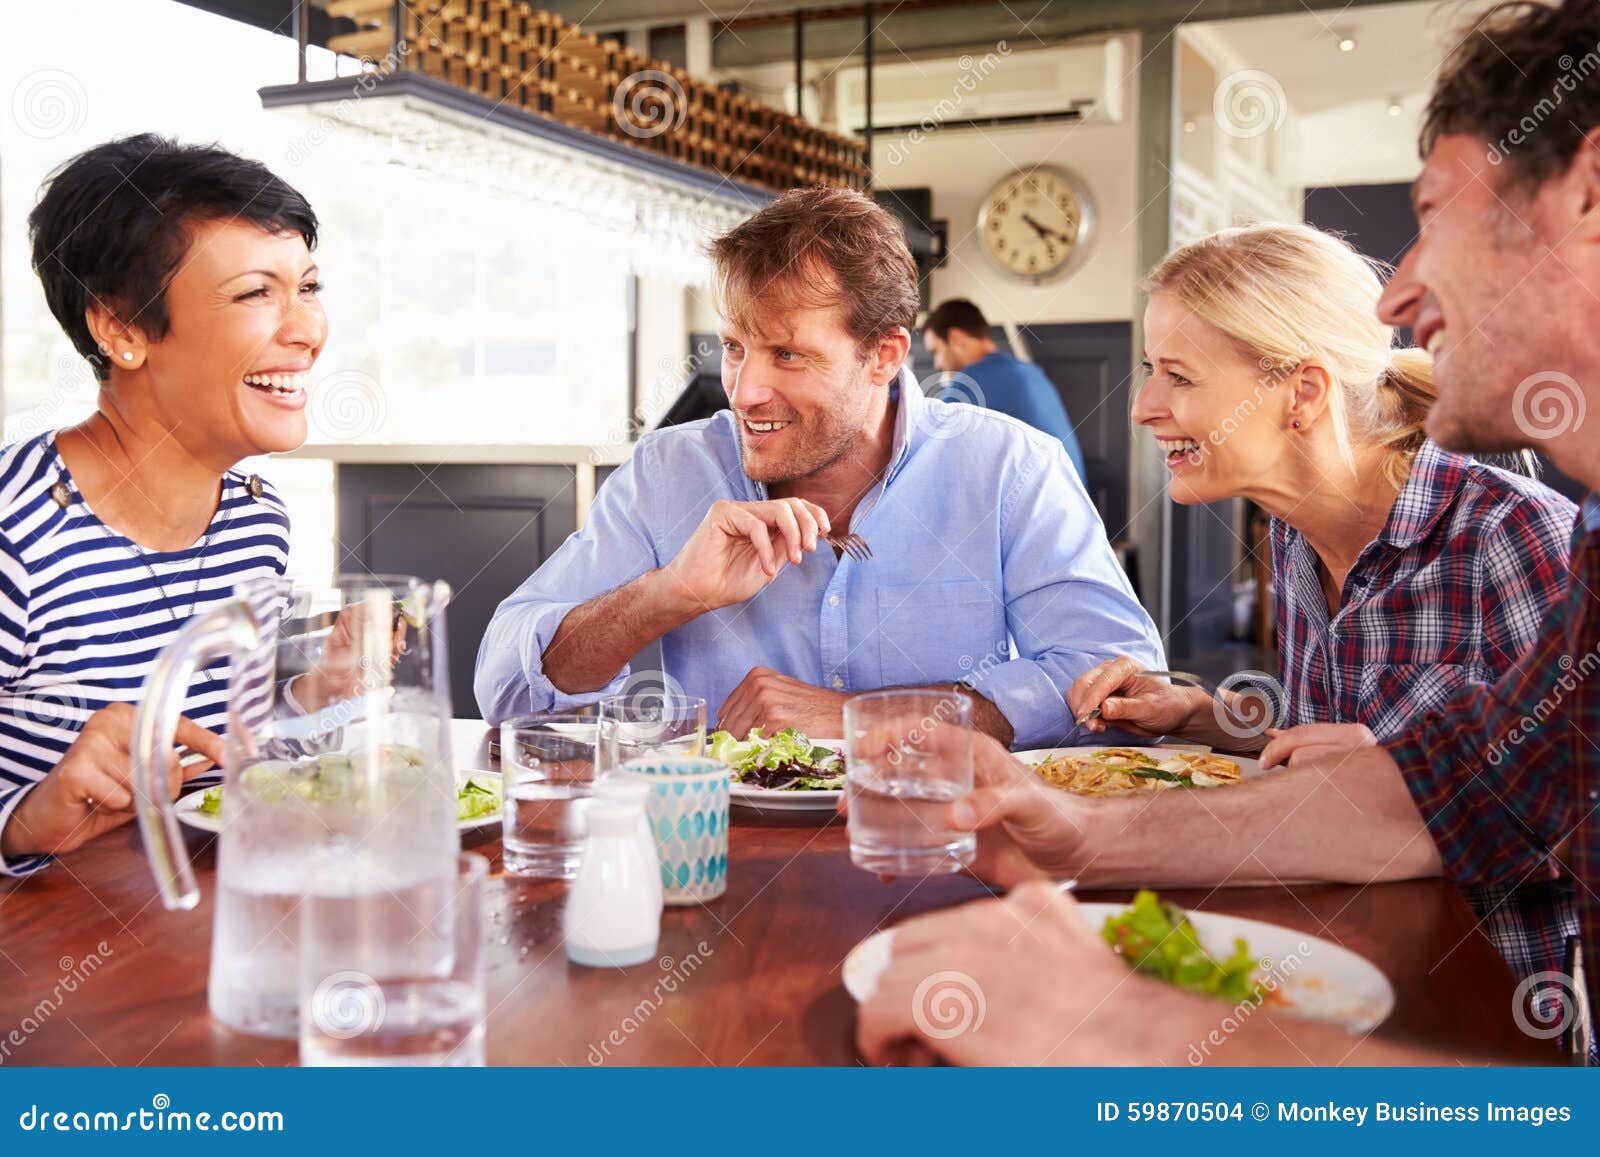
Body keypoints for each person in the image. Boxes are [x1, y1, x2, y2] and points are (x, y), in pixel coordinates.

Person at [855, 0, 1600, 1065]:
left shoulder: (1524, 538)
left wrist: (1128, 1024)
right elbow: (1453, 790)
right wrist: (1085, 828)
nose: (1399, 289)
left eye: (1431, 214)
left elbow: (1483, 828)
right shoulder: (1324, 546)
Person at [1068, 221, 1577, 982]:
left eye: (1178, 375)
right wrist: (1204, 716)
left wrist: (1405, 777)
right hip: (1321, 972)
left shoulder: (1518, 536)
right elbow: (1323, 743)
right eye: (1150, 369)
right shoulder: (1293, 537)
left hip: (1480, 1016)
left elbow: (1577, 819)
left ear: (1302, 392)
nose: (1142, 407)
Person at [476, 188, 1162, 749]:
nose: (743, 390)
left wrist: (862, 717)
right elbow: (505, 687)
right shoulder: (670, 469)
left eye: (789, 355)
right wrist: (668, 594)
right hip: (726, 871)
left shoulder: (1008, 468)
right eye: (735, 347)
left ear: (886, 355)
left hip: (948, 862)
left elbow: (1122, 683)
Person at [0, 135, 326, 876]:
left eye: (307, 286)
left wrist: (314, 693)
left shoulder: (255, 521)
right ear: (121, 328)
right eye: (255, 293)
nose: (307, 330)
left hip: (206, 949)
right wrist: (24, 820)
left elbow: (227, 771)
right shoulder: (16, 535)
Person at [920, 299, 1086, 479]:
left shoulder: (972, 381)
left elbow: (926, 448)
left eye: (936, 351)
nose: (937, 364)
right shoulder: (1030, 372)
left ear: (956, 339)